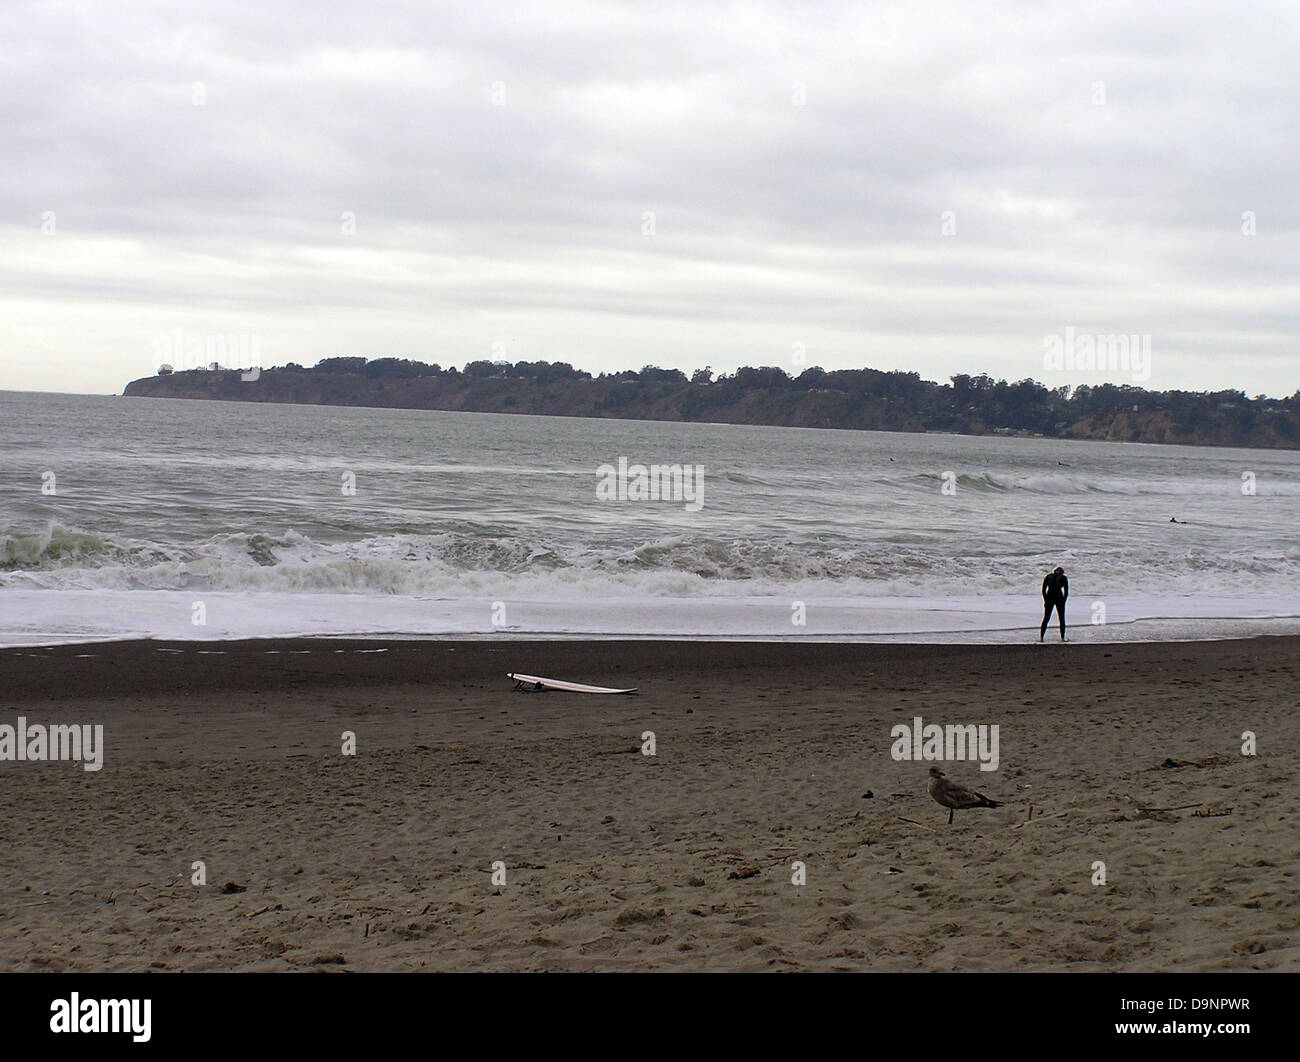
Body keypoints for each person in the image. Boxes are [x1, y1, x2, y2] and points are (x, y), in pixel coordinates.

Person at [1040, 566, 1068, 642]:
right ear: (1062, 572)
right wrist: (1064, 601)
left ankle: (1041, 637)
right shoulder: (1063, 578)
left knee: (1046, 618)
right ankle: (1062, 638)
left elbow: (1043, 590)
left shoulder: (1048, 576)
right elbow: (1066, 592)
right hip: (1059, 597)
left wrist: (1045, 600)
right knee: (1061, 618)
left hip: (1049, 597)